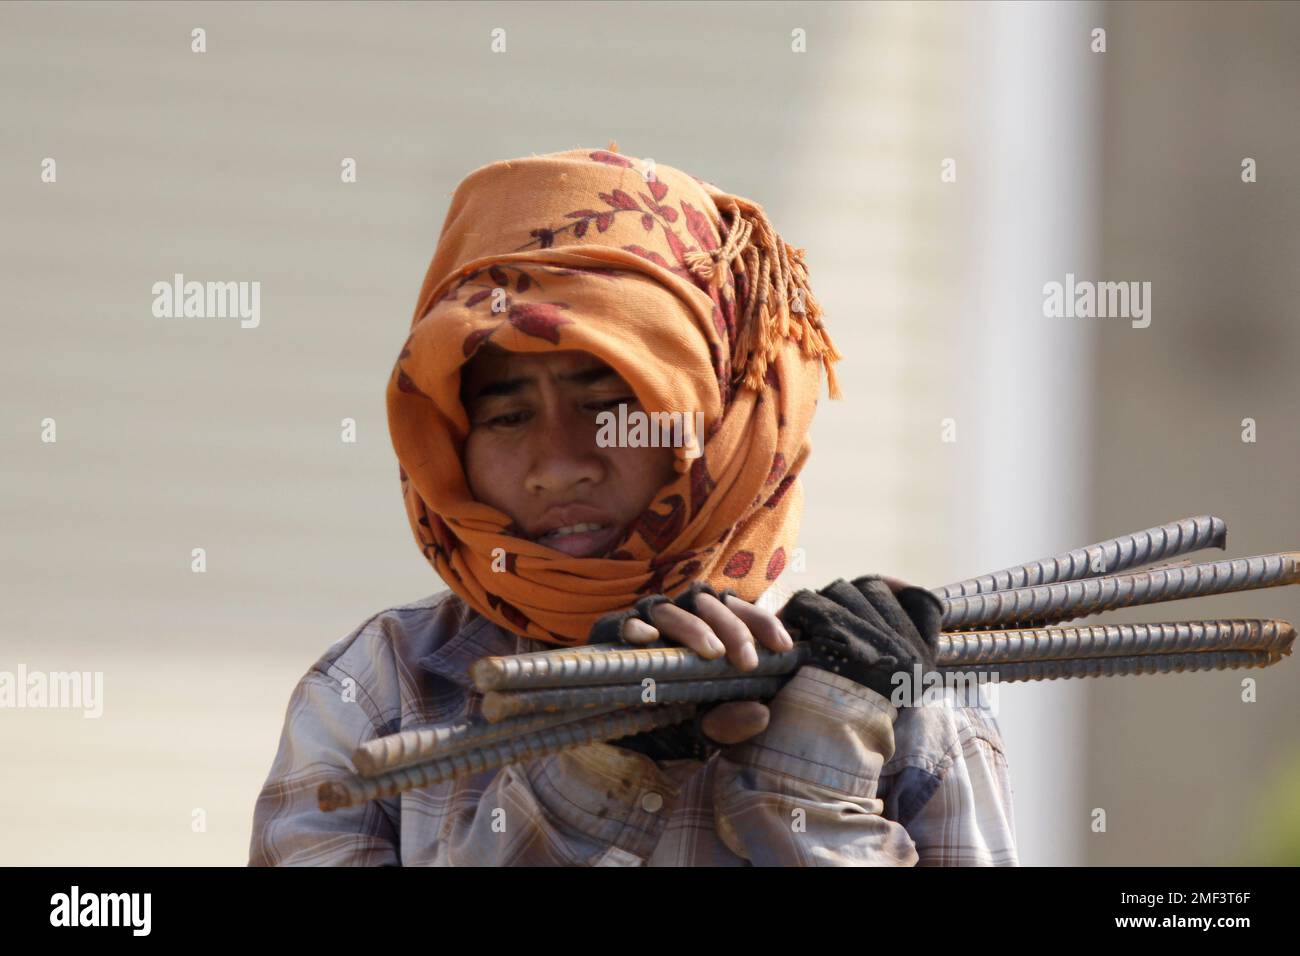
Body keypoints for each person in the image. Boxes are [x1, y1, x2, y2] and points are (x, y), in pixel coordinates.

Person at [248, 144, 1018, 866]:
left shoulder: (901, 699)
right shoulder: (386, 691)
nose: (558, 467)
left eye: (614, 404)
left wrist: (813, 779)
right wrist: (594, 771)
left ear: (721, 414)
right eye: (507, 416)